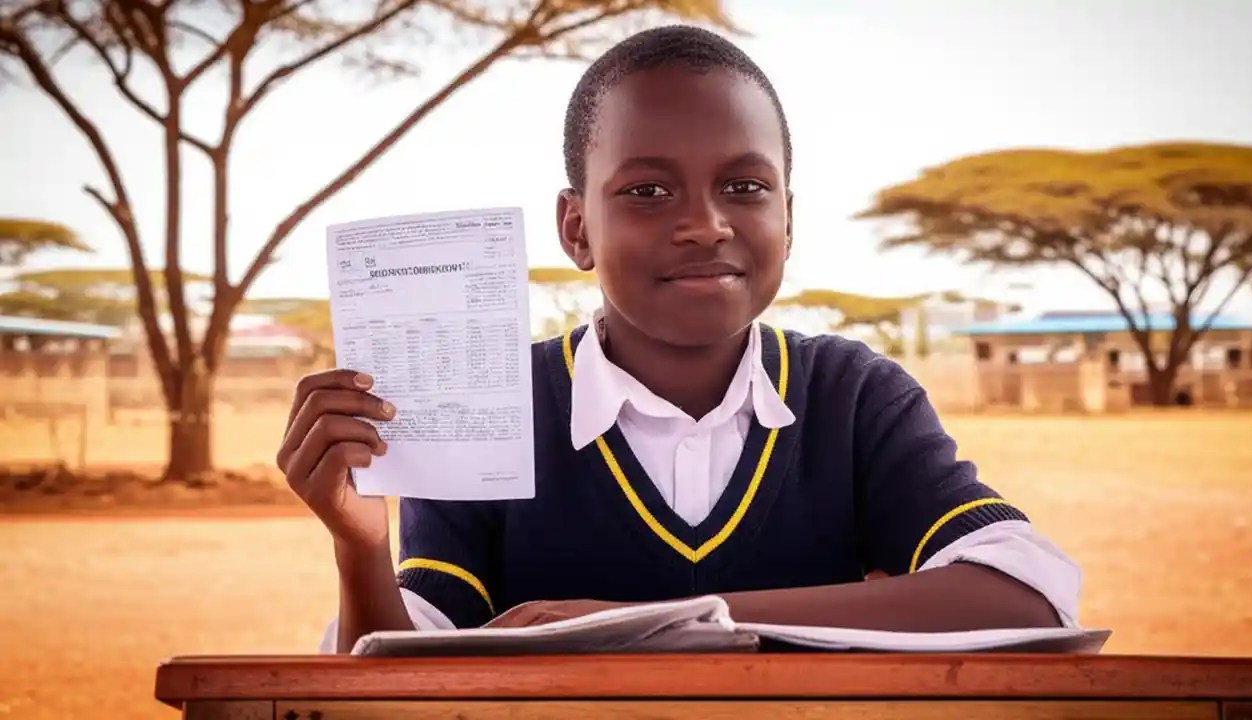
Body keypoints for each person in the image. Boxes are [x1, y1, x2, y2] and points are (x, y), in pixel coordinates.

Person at [277, 25, 1082, 654]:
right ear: (576, 226)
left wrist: (648, 622)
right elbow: (391, 681)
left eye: (745, 186)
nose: (705, 224)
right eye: (648, 190)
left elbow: (1024, 592)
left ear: (789, 218)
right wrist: (360, 549)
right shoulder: (500, 405)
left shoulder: (853, 395)